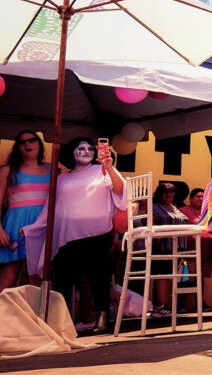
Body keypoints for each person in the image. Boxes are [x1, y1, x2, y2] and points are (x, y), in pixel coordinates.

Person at [24, 137, 126, 334]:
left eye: (90, 148)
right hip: (66, 236)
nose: (86, 151)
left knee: (99, 278)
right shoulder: (62, 178)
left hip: (97, 235)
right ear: (72, 152)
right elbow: (51, 207)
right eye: (81, 148)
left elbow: (120, 190)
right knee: (63, 278)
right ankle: (62, 322)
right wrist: (35, 226)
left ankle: (102, 316)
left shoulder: (102, 170)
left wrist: (109, 167)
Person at [0, 130, 52, 290]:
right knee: (9, 276)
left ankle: (32, 315)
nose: (27, 144)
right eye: (22, 142)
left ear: (39, 144)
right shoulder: (8, 170)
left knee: (36, 278)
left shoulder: (52, 170)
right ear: (17, 147)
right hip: (14, 225)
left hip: (41, 226)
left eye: (32, 140)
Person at [138, 182, 191, 317]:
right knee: (162, 276)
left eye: (172, 192)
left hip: (178, 247)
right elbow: (147, 223)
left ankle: (166, 305)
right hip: (162, 247)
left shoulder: (174, 207)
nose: (169, 195)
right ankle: (159, 306)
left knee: (171, 277)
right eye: (166, 192)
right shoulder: (154, 207)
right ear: (160, 193)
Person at [176, 187, 212, 311]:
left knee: (200, 278)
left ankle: (199, 305)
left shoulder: (208, 212)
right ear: (191, 199)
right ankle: (181, 306)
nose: (201, 198)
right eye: (198, 196)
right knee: (186, 278)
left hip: (206, 252)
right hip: (189, 252)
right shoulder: (182, 211)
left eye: (203, 197)